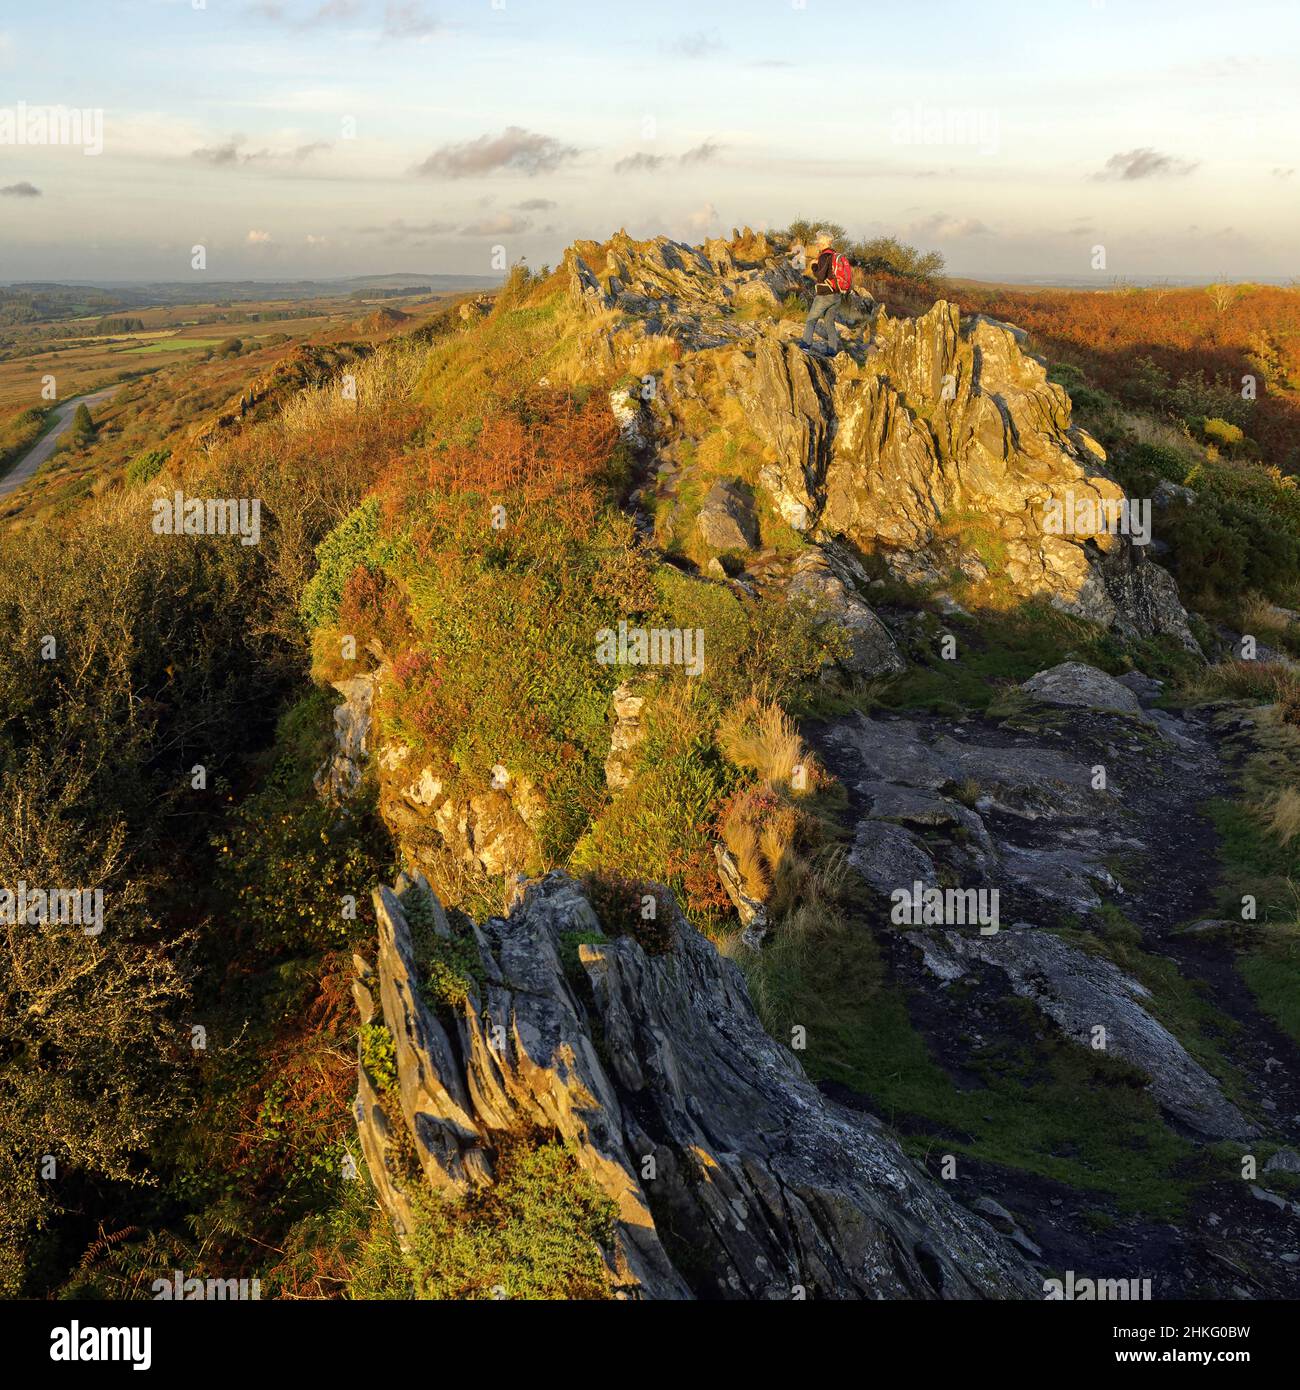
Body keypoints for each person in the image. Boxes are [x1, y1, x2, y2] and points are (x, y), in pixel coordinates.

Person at [800, 241, 846, 354]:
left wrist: (814, 266)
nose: (817, 244)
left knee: (811, 320)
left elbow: (820, 276)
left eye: (819, 242)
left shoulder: (825, 256)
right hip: (837, 295)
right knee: (829, 323)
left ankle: (805, 347)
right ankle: (832, 350)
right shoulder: (835, 255)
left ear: (824, 242)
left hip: (825, 294)